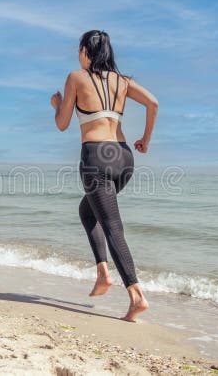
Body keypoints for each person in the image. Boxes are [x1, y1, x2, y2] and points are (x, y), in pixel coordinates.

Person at [51, 29, 158, 322]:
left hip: (96, 156)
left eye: (79, 49)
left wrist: (57, 106)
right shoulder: (123, 82)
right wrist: (145, 141)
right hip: (123, 157)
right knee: (88, 211)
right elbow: (153, 103)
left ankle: (136, 296)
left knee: (112, 227)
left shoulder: (76, 77)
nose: (78, 54)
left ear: (87, 50)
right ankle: (102, 274)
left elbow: (62, 124)